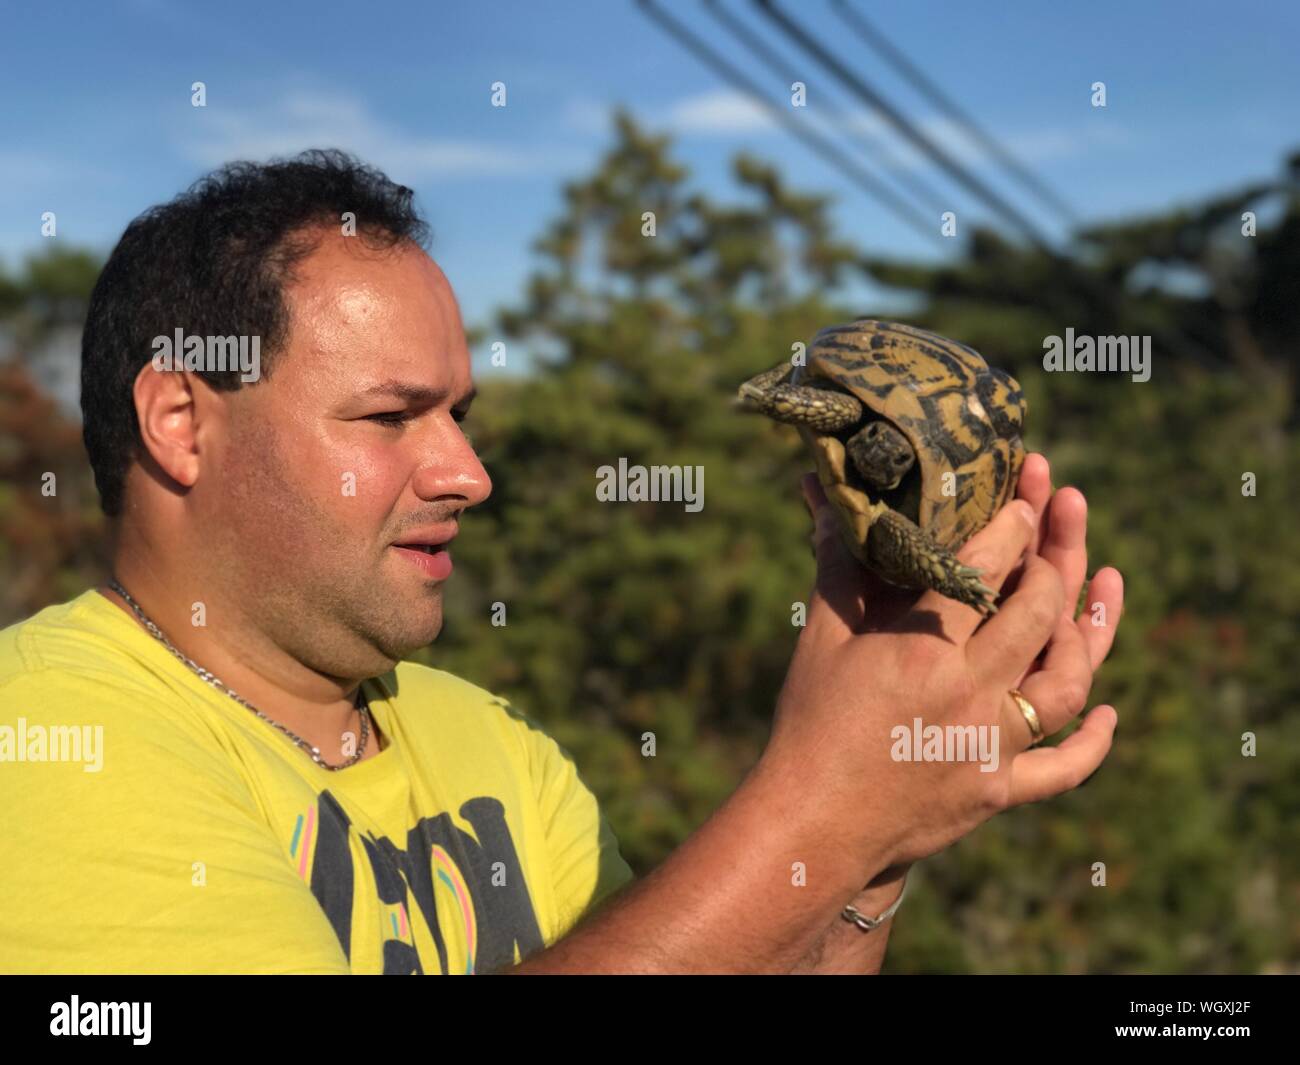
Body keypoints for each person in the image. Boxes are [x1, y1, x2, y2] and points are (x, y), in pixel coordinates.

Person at [0, 150, 1123, 975]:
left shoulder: (486, 742)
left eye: (461, 414)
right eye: (391, 418)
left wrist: (874, 840)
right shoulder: (49, 741)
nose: (468, 472)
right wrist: (818, 804)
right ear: (181, 425)